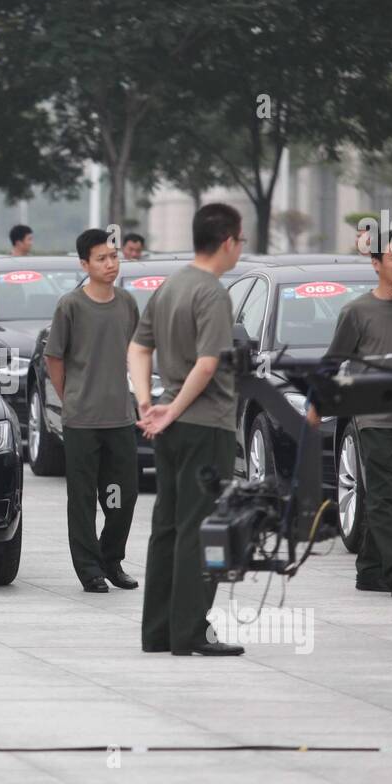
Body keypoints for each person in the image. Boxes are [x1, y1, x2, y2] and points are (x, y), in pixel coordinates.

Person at [129, 203, 244, 655]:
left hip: (171, 426)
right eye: (241, 240)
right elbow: (209, 361)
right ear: (228, 241)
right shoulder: (212, 292)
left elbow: (137, 348)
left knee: (168, 527)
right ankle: (191, 631)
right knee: (201, 529)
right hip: (205, 425)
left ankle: (158, 631)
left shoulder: (171, 285)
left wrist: (147, 402)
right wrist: (172, 409)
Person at [306, 231, 392, 596]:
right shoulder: (356, 311)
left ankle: (369, 569)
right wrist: (316, 404)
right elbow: (333, 361)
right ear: (376, 264)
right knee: (382, 496)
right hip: (373, 420)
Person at [45, 228, 140, 593]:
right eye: (101, 258)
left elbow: (135, 353)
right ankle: (89, 569)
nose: (110, 264)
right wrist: (68, 396)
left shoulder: (127, 303)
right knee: (83, 498)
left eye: (113, 257)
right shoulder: (71, 305)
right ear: (85, 264)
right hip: (82, 420)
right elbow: (54, 356)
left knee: (120, 495)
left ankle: (111, 559)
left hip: (119, 416)